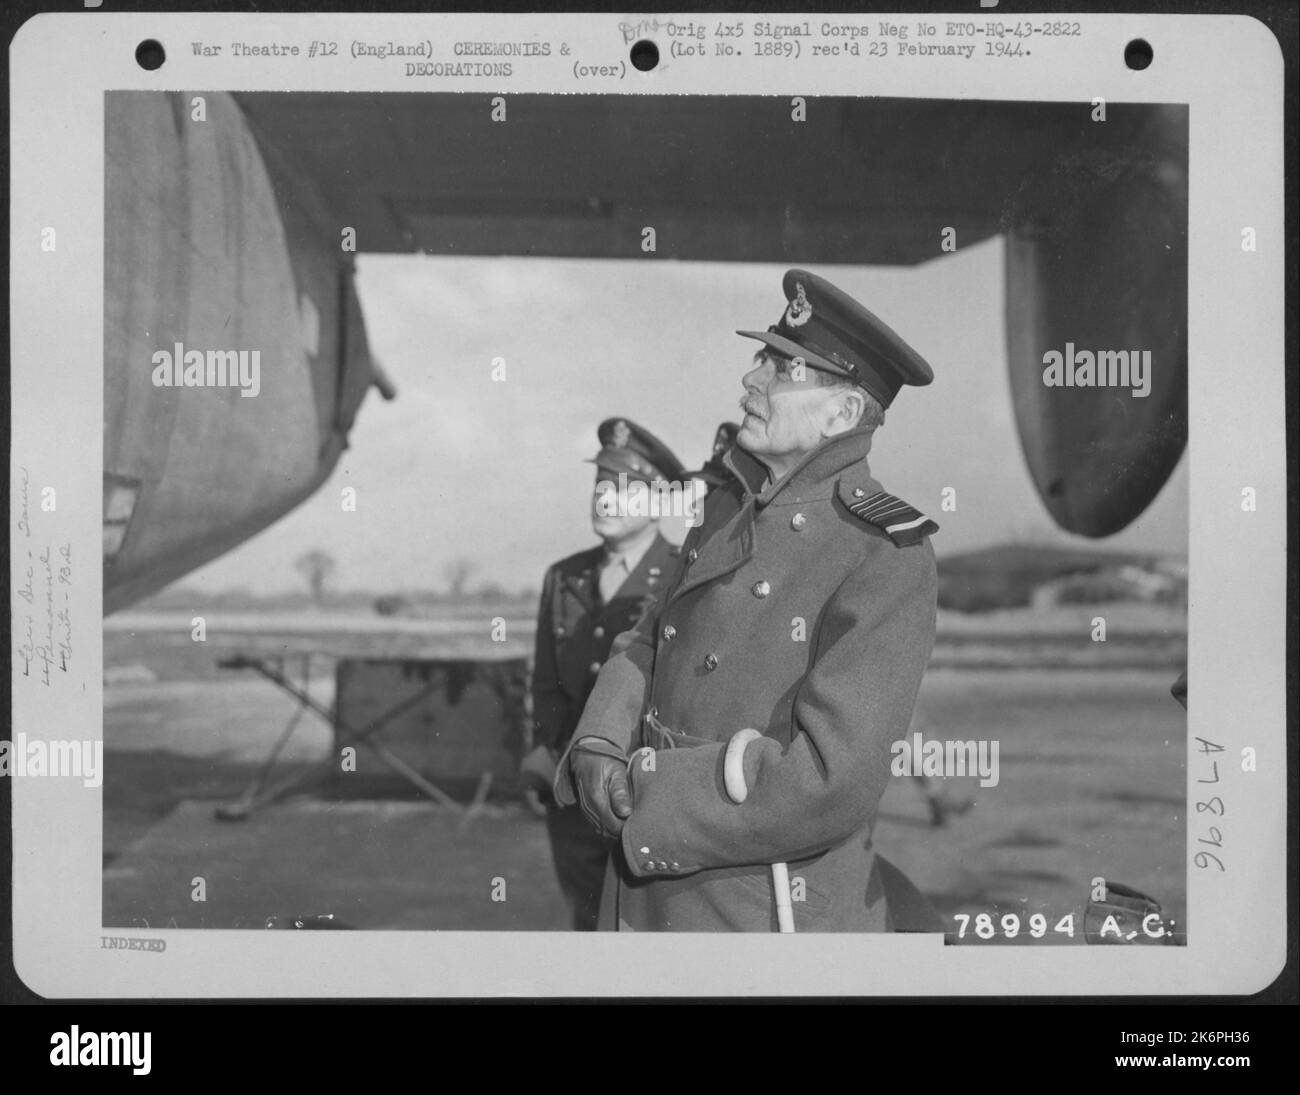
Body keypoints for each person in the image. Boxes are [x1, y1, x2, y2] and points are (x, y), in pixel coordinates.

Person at [554, 269, 940, 931]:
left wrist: (647, 789)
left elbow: (829, 779)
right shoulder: (727, 504)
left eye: (784, 369)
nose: (752, 380)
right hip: (642, 896)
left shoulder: (882, 551)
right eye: (763, 357)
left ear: (842, 414)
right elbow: (650, 636)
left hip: (756, 912)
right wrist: (598, 738)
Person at [523, 418, 686, 930]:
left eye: (624, 489)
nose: (606, 500)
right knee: (585, 922)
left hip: (641, 797)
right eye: (600, 486)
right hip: (570, 795)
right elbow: (546, 682)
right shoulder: (564, 576)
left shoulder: (685, 573)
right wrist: (546, 756)